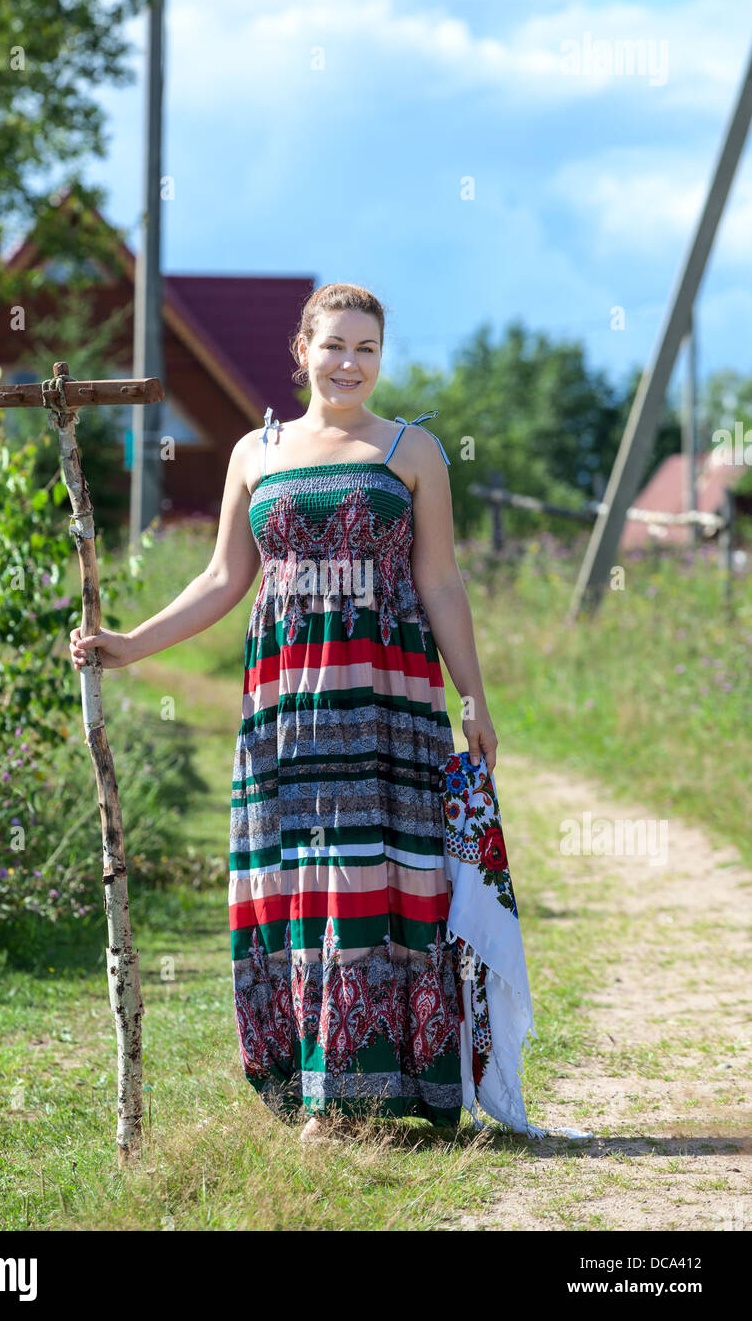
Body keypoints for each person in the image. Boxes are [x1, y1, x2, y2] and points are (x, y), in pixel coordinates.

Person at [70, 282, 509, 1143]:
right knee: (301, 870)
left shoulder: (413, 451)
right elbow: (223, 580)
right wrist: (130, 644)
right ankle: (322, 1088)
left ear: (381, 360)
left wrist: (474, 698)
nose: (349, 363)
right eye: (335, 344)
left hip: (390, 693)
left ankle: (397, 1087)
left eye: (367, 350)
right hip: (284, 702)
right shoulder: (252, 453)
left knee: (386, 868)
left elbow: (441, 582)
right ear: (301, 349)